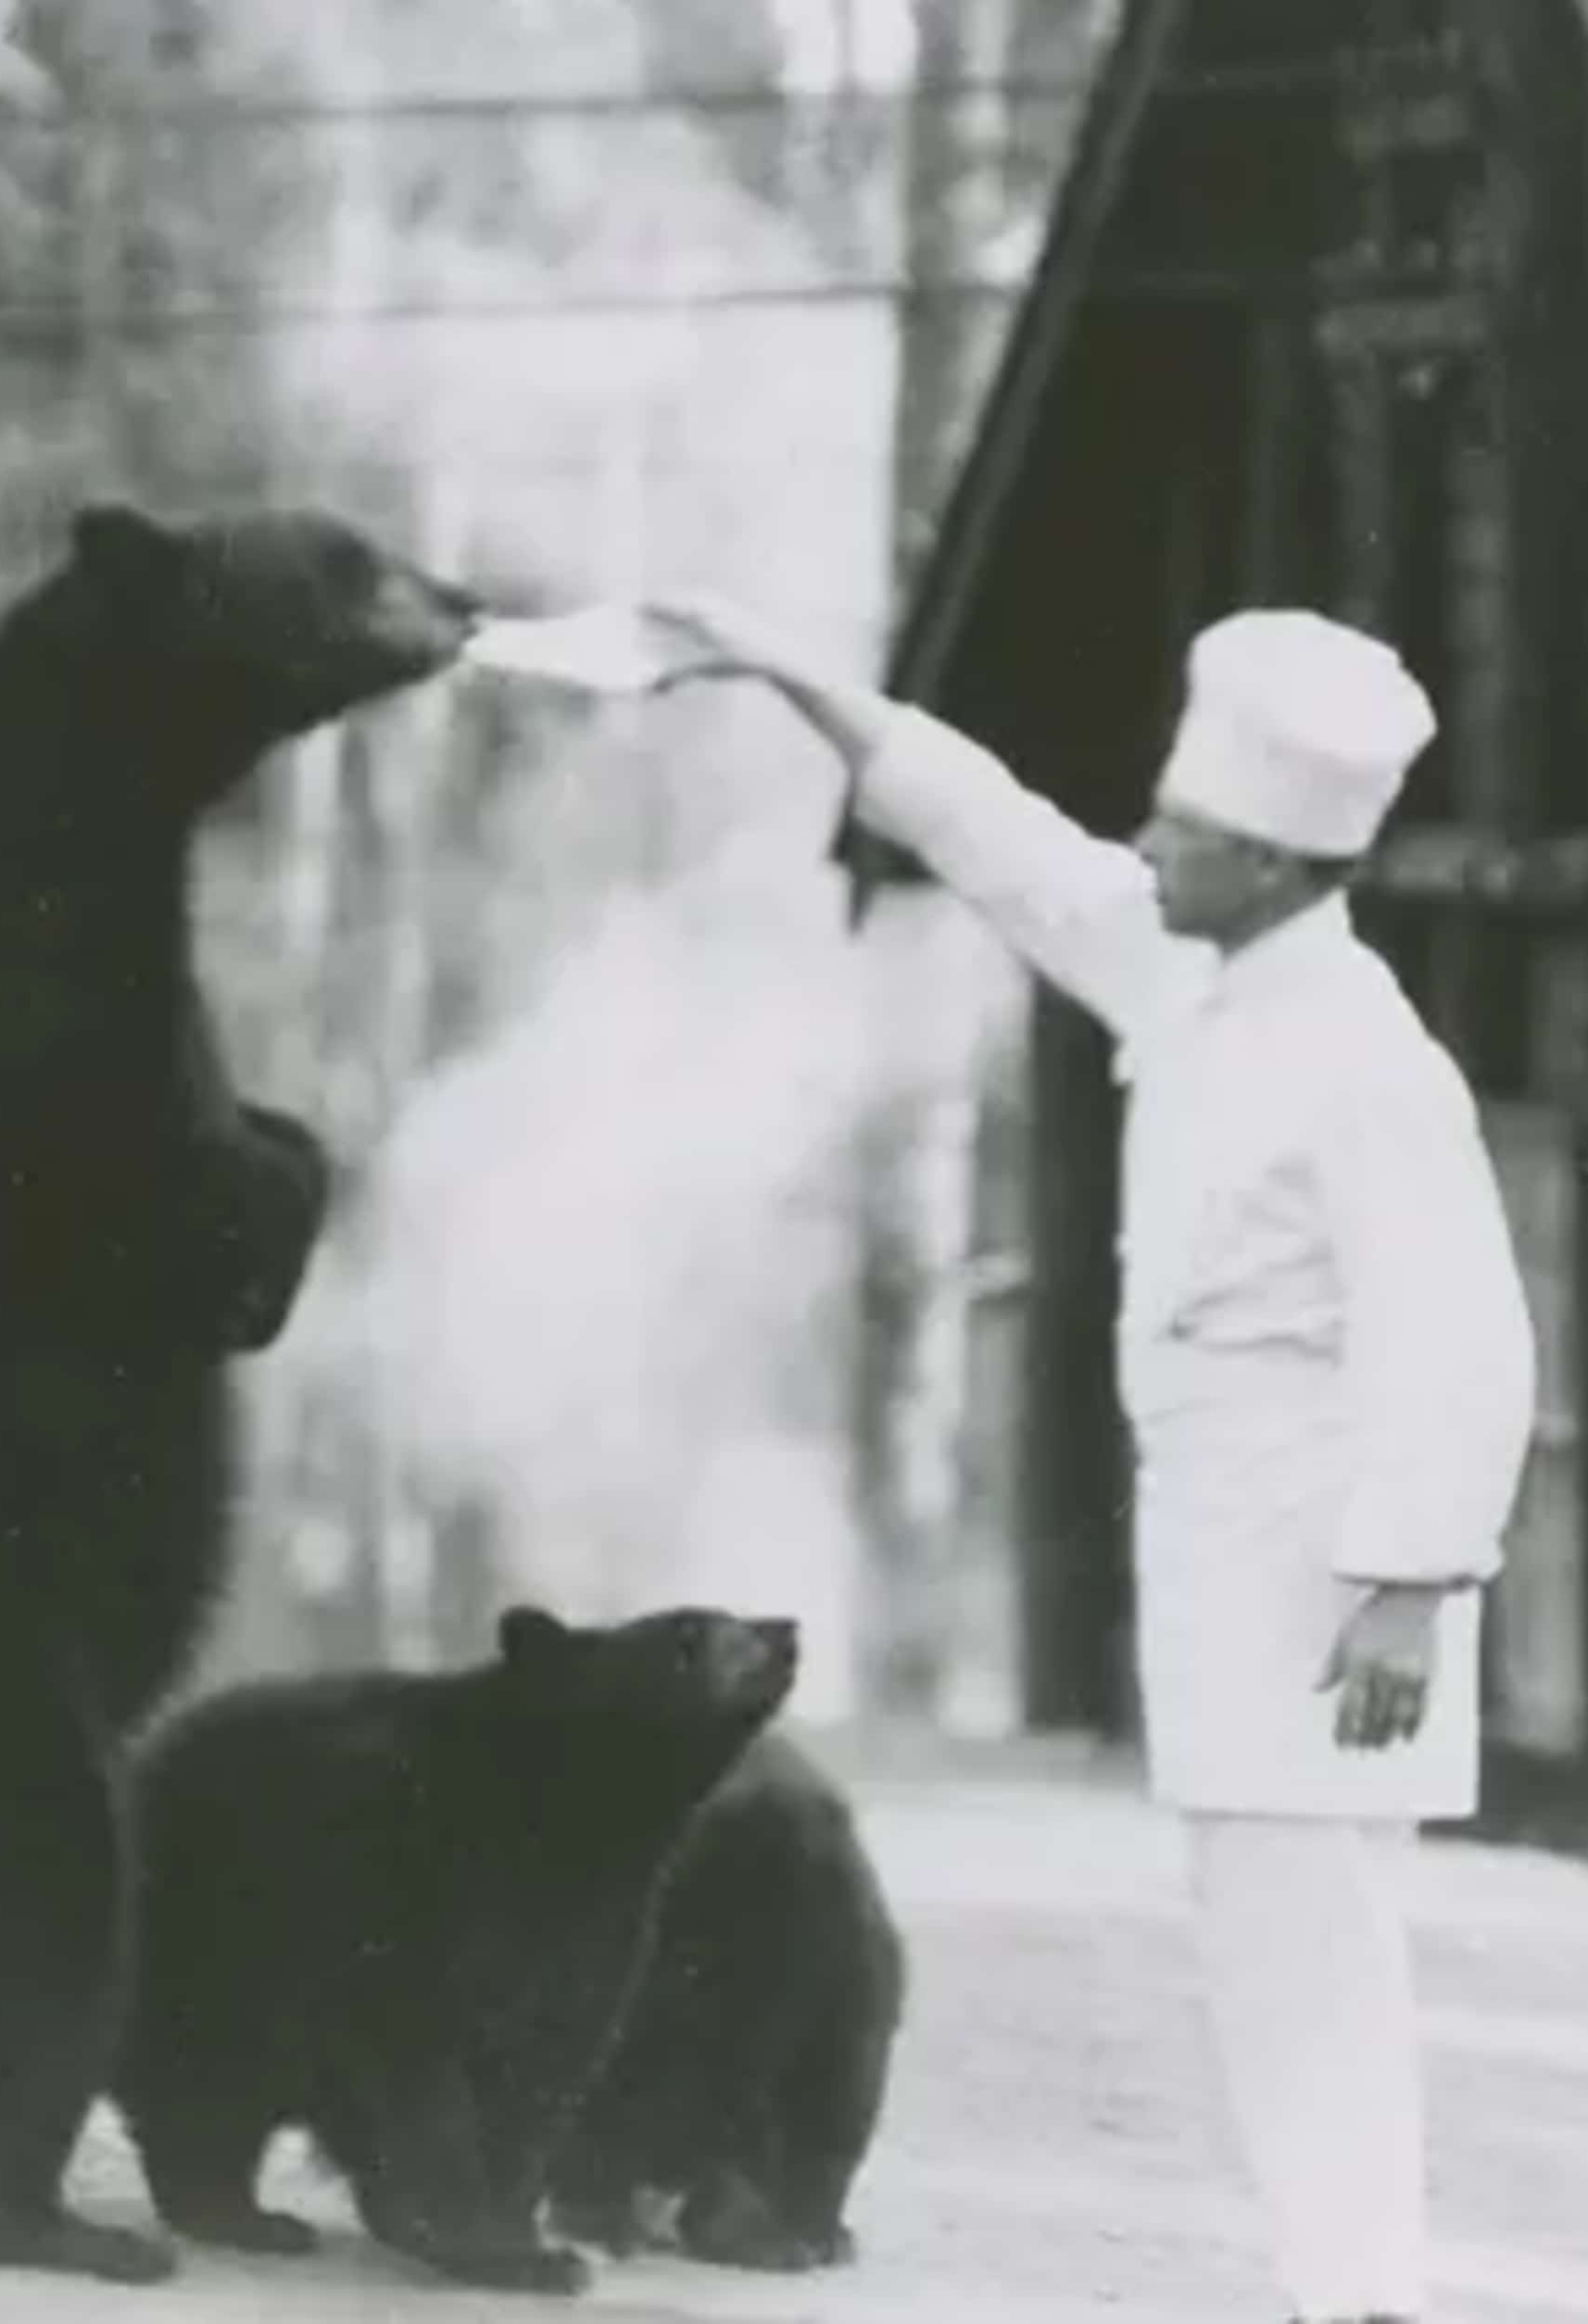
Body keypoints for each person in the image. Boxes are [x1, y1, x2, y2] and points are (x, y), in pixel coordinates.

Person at [648, 596, 1539, 2324]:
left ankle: (1359, 2296)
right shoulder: (1191, 961)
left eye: (1190, 832)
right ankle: (1346, 2282)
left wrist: (1410, 1584)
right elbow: (1011, 846)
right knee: (1276, 1939)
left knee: (1311, 1954)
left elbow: (1465, 1328)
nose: (1150, 844)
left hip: (1328, 1558)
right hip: (1236, 1534)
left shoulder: (1365, 1059)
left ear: (1281, 866)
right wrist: (793, 675)